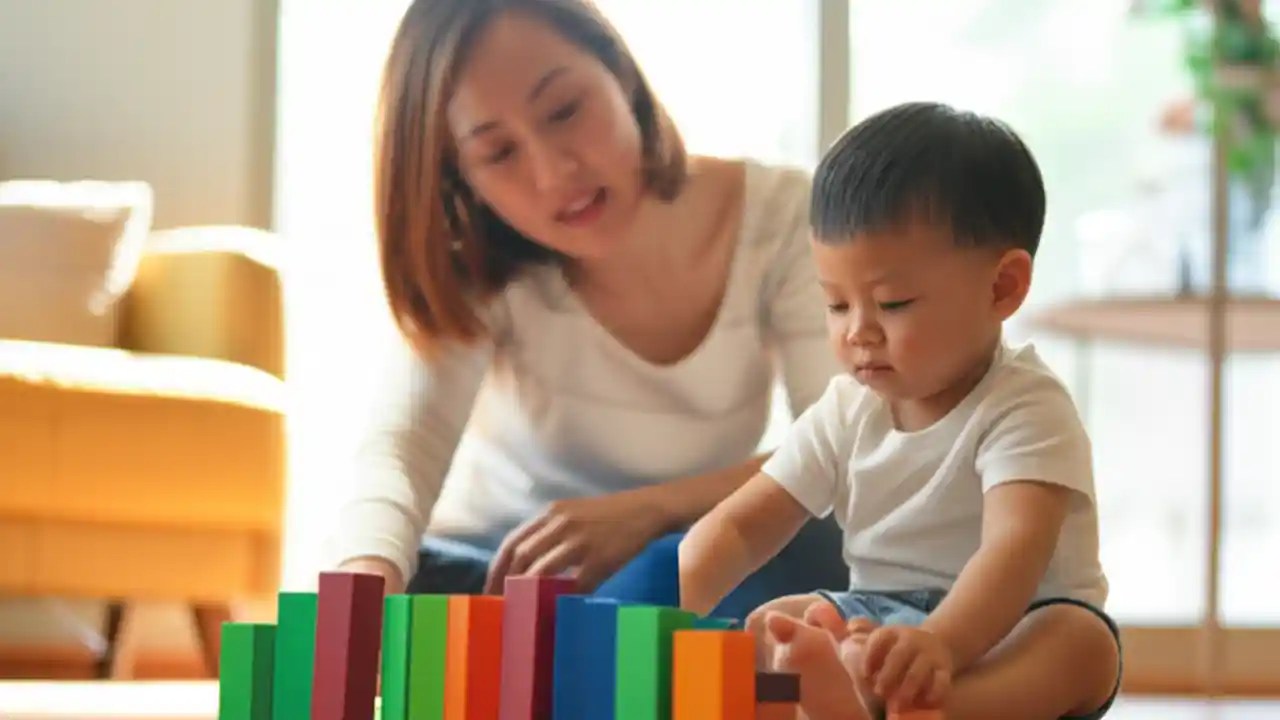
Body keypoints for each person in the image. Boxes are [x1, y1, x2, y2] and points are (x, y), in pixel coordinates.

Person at [325, 0, 846, 621]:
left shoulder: (784, 214)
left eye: (565, 110)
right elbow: (403, 448)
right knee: (394, 583)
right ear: (461, 181)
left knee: (764, 553)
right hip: (497, 565)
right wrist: (365, 580)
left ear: (621, 74)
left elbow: (842, 441)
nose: (554, 173)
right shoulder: (481, 265)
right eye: (498, 154)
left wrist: (650, 509)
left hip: (684, 555)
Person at [678, 102, 1122, 720]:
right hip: (878, 621)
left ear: (1002, 288)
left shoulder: (1025, 406)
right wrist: (680, 613)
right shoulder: (846, 411)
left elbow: (1012, 551)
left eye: (892, 303)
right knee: (774, 624)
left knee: (1083, 646)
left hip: (1010, 625)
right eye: (835, 305)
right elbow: (743, 525)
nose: (859, 333)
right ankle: (841, 700)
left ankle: (934, 707)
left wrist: (939, 645)